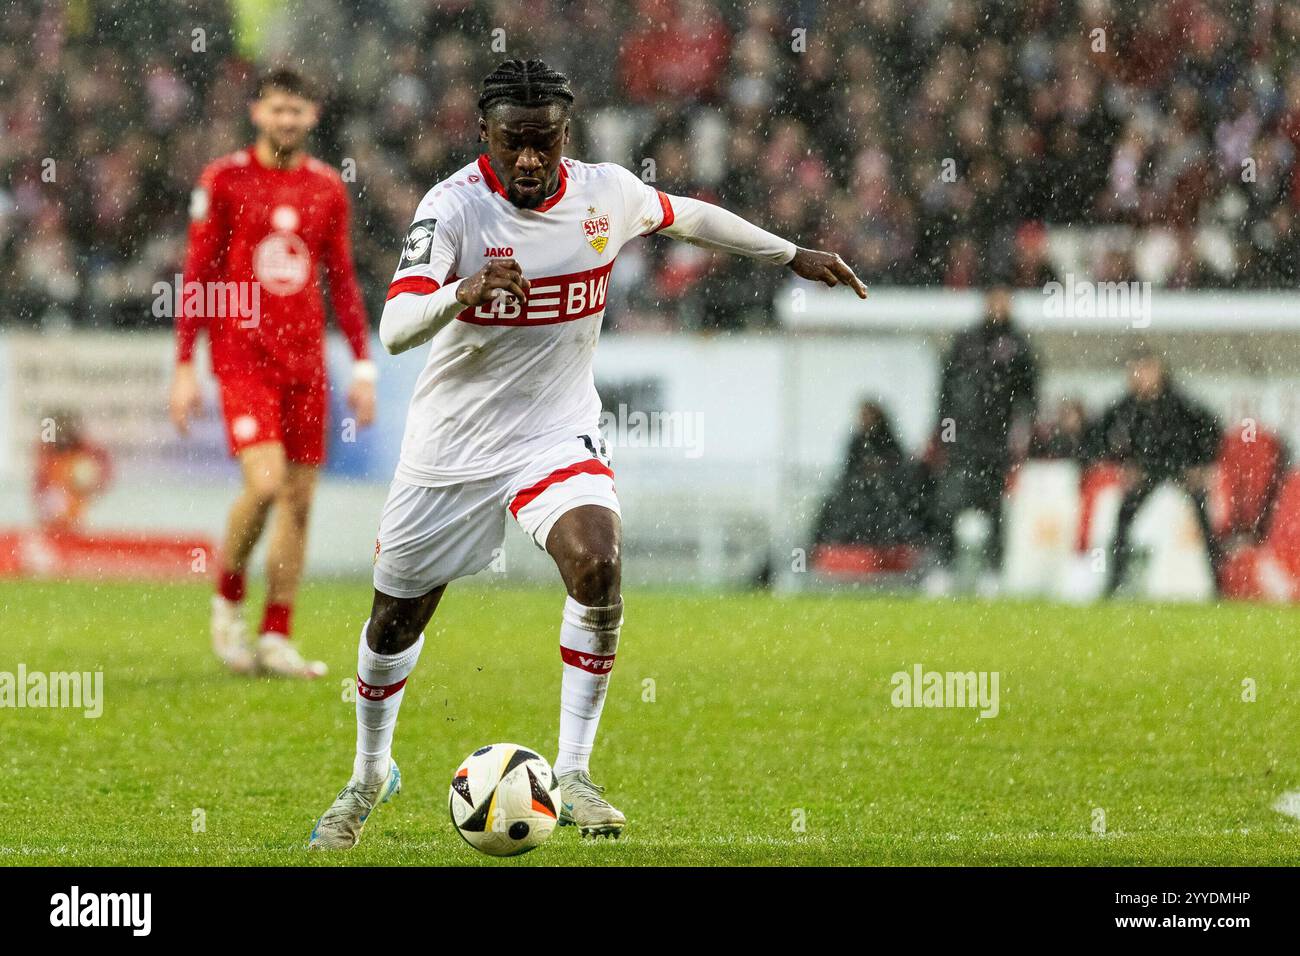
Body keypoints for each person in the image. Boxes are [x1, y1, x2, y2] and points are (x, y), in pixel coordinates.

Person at [308, 59, 867, 848]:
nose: (530, 159)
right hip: (453, 447)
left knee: (598, 563)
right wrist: (459, 294)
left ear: (565, 136)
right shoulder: (453, 209)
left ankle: (571, 773)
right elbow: (397, 326)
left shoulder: (605, 192)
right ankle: (369, 774)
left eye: (545, 141)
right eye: (513, 144)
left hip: (554, 432)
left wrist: (789, 254)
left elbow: (689, 215)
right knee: (394, 621)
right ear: (483, 136)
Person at [168, 69, 376, 678]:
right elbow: (199, 274)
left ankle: (276, 635)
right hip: (242, 357)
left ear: (312, 117)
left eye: (298, 110)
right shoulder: (225, 180)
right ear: (258, 112)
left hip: (306, 363)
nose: (287, 120)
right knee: (264, 485)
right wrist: (184, 365)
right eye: (277, 109)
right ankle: (228, 602)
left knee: (300, 503)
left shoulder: (326, 189)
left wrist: (362, 365)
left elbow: (342, 279)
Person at [928, 287, 1038, 579]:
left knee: (994, 507)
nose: (1000, 306)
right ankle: (944, 568)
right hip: (963, 439)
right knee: (949, 504)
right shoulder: (967, 342)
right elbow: (946, 395)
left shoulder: (1019, 346)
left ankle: (992, 571)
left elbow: (1028, 399)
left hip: (996, 441)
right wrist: (945, 437)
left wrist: (1020, 438)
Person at [1093, 350, 1221, 596]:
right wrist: (1121, 464)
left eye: (1145, 370)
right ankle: (1115, 581)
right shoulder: (1126, 407)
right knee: (1123, 520)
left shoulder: (1181, 404)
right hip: (1145, 471)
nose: (1140, 377)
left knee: (1204, 523)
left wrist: (1200, 466)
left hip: (1180, 469)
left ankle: (1218, 583)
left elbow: (1211, 431)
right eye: (1136, 371)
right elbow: (1100, 437)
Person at [813, 400, 927, 551]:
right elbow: (848, 471)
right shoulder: (856, 443)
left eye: (868, 415)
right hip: (857, 491)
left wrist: (879, 473)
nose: (864, 420)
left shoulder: (889, 442)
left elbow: (899, 469)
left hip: (883, 493)